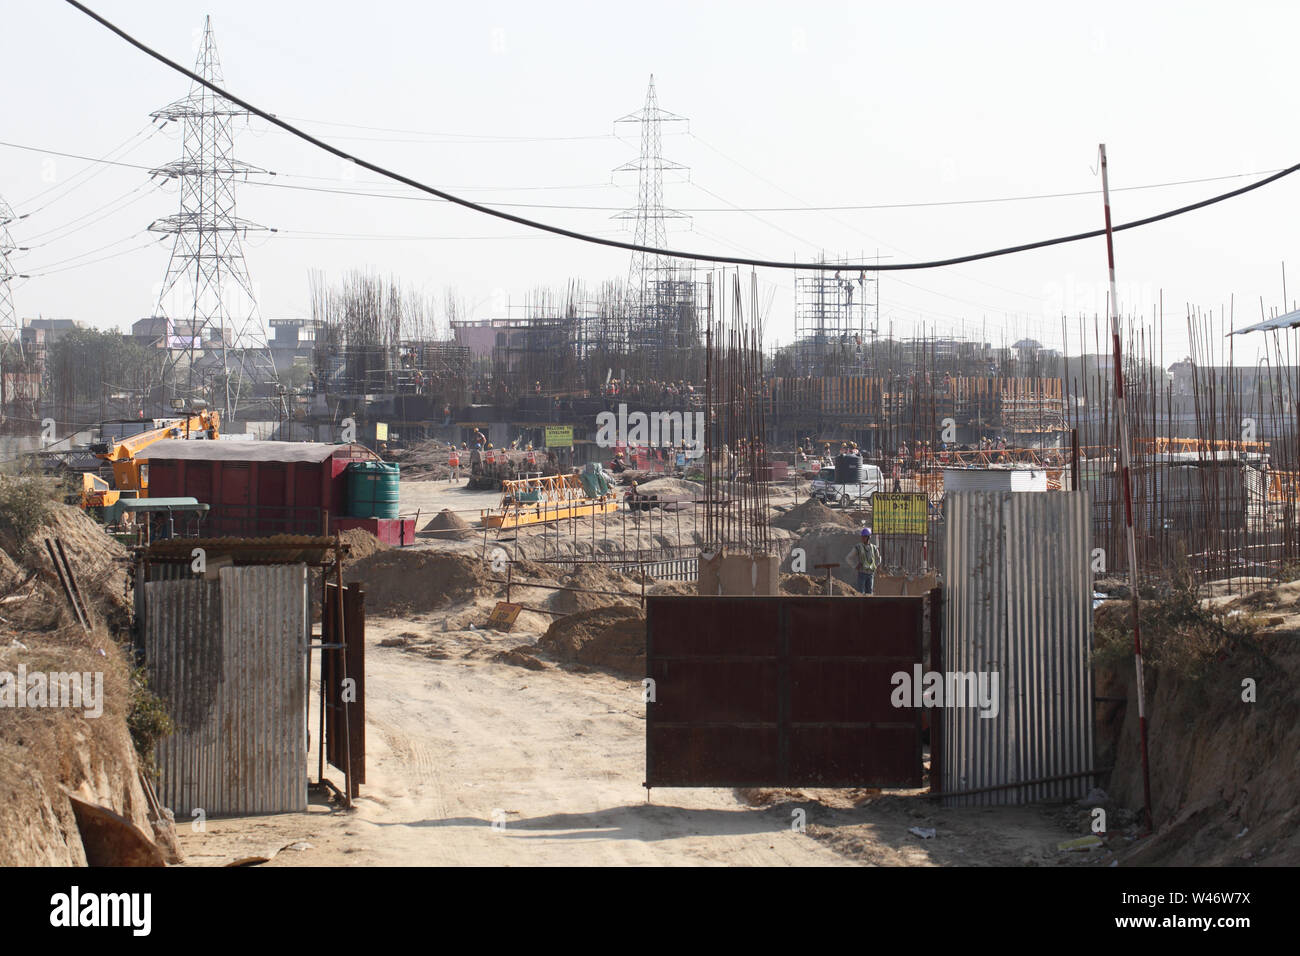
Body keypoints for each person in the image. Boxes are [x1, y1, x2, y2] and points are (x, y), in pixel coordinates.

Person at [847, 527, 882, 595]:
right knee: (860, 593)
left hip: (870, 574)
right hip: (862, 574)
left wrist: (875, 566)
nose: (863, 538)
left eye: (864, 537)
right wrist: (855, 566)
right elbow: (848, 558)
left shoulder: (874, 548)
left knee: (869, 593)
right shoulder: (858, 547)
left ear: (869, 537)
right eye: (862, 537)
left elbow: (879, 558)